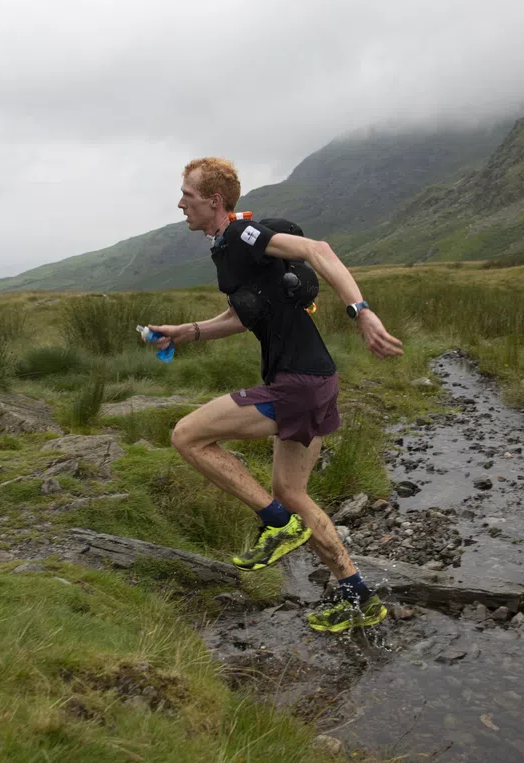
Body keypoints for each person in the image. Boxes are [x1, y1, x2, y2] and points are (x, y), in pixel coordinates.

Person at [145, 157, 405, 633]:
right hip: (316, 379)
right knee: (294, 492)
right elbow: (243, 317)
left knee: (187, 436)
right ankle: (358, 596)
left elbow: (318, 250)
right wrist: (184, 332)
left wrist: (362, 312)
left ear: (214, 201)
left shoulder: (246, 235)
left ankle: (276, 523)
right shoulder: (226, 248)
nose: (180, 202)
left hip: (297, 384)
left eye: (187, 194)